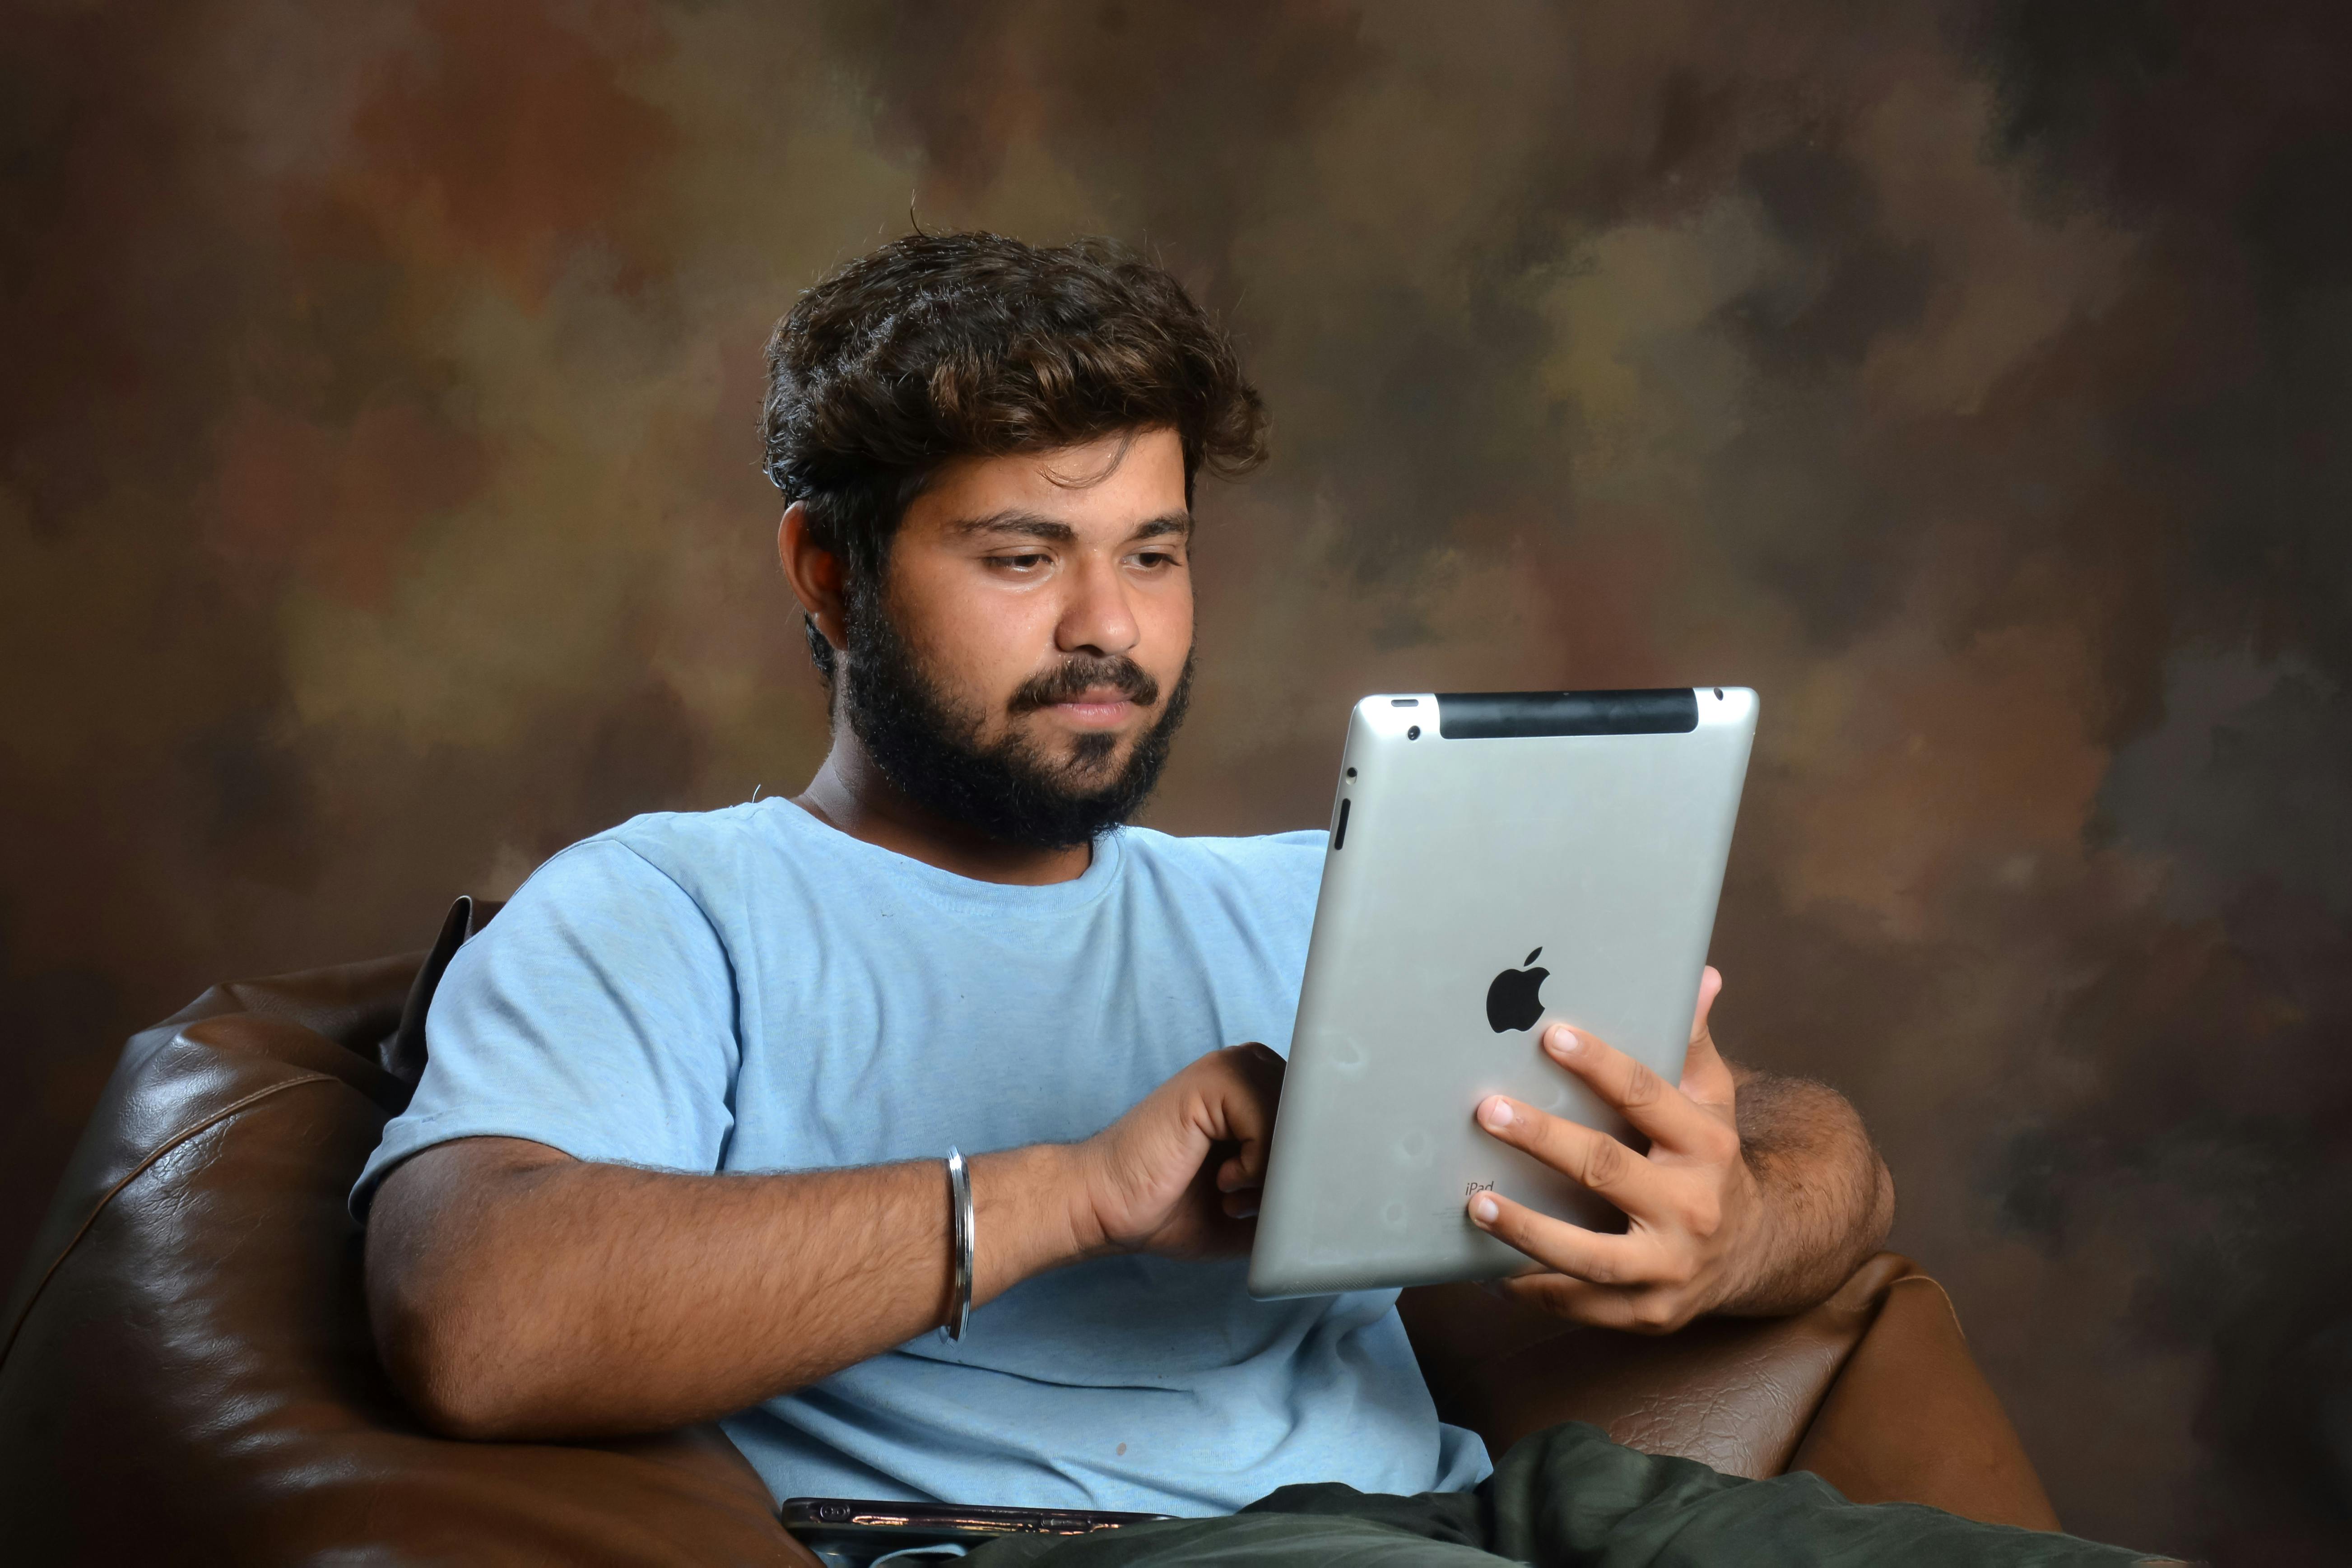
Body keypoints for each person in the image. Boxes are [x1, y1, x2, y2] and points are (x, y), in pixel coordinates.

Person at [358, 233, 2161, 1565]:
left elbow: (1816, 1146)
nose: (1108, 630)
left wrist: (1726, 1212)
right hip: (1077, 1548)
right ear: (824, 574)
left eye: (1151, 554)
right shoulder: (667, 905)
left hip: (1508, 1510)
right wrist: (1072, 1191)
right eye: (1021, 559)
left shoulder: (1324, 893)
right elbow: (475, 1314)